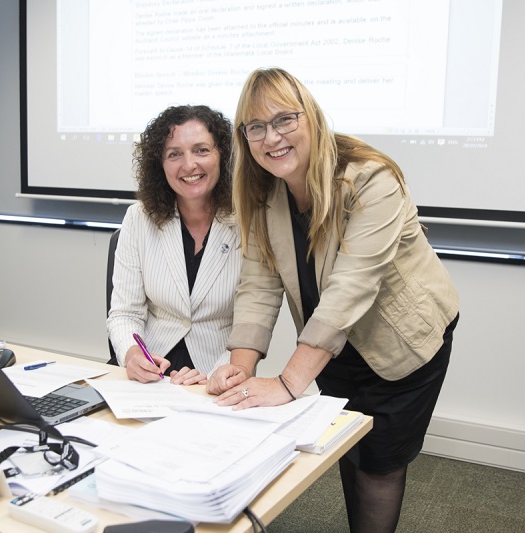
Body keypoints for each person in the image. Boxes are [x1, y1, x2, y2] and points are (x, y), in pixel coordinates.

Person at [208, 68, 460, 533]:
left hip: (402, 342)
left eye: (284, 119)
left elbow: (350, 289)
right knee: (348, 444)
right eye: (256, 126)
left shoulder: (370, 180)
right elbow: (258, 286)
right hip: (331, 346)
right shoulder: (264, 193)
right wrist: (241, 370)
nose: (272, 137)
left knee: (379, 463)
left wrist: (288, 384)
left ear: (311, 116)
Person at [106, 105, 241, 385]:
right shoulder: (139, 218)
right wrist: (133, 356)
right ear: (160, 164)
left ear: (223, 155)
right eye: (174, 154)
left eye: (201, 150)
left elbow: (251, 325)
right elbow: (124, 313)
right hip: (151, 373)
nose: (189, 165)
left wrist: (217, 374)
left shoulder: (248, 222)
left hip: (217, 373)